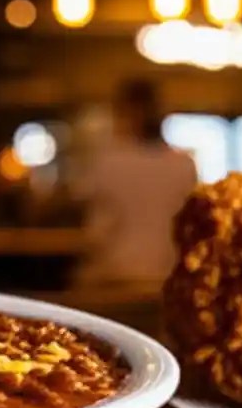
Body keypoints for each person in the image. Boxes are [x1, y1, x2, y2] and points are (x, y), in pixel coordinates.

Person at [73, 79, 198, 286]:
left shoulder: (108, 162)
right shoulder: (184, 164)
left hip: (115, 276)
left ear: (127, 113)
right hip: (169, 276)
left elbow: (94, 228)